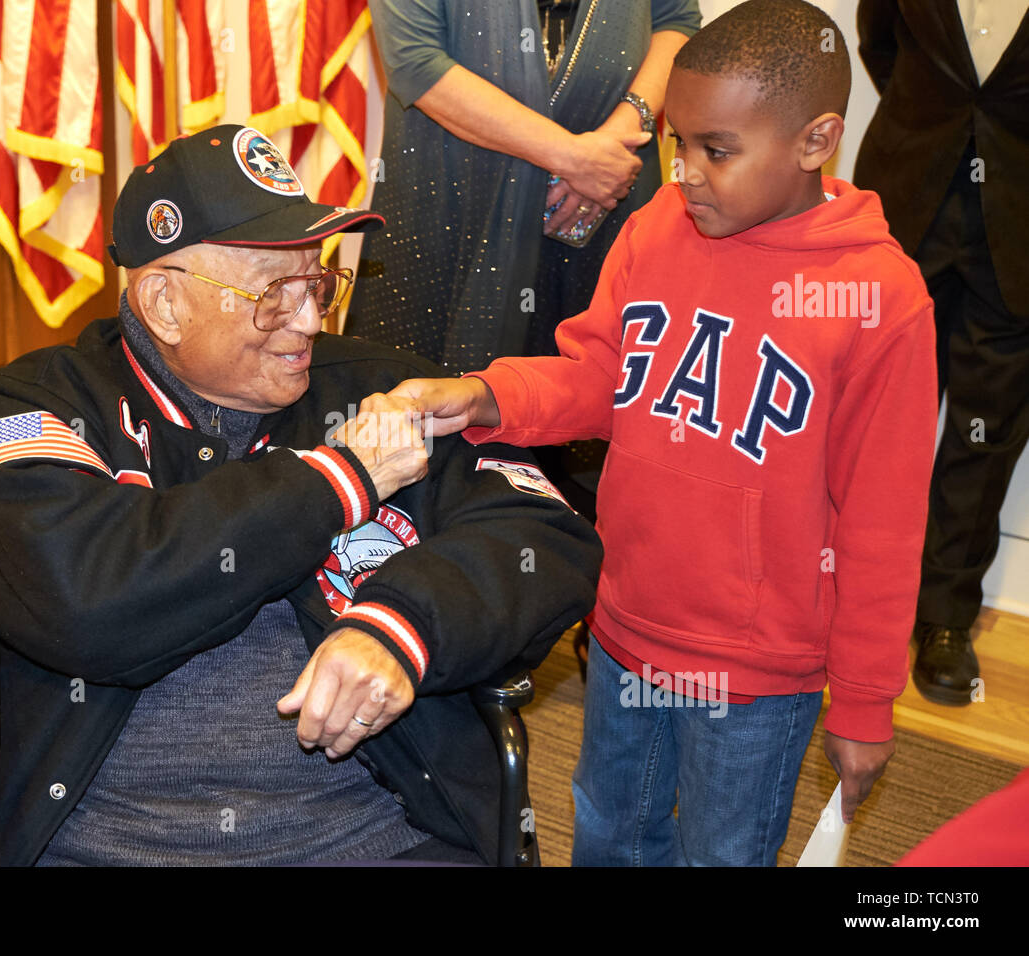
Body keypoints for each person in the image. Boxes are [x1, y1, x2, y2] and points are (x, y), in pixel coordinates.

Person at [0, 124, 602, 866]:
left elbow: (545, 533)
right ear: (164, 303)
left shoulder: (374, 383)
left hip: (375, 836)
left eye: (318, 283)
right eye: (273, 295)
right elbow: (88, 602)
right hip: (115, 842)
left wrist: (404, 626)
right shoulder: (37, 407)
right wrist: (342, 479)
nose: (309, 321)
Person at [390, 0, 938, 865]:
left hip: (758, 674)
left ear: (815, 140)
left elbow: (884, 522)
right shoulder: (654, 231)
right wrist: (489, 396)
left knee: (720, 853)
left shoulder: (880, 298)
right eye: (676, 142)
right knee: (607, 829)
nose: (681, 171)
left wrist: (866, 702)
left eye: (715, 151)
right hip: (627, 628)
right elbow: (599, 377)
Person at [345, 0, 700, 374]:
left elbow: (675, 20)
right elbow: (413, 59)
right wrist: (576, 159)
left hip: (613, 174)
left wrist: (621, 129)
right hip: (456, 190)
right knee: (429, 401)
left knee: (598, 388)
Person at [854, 0, 1029, 706]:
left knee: (983, 435)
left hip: (1017, 229)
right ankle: (849, 591)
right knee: (864, 417)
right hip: (906, 198)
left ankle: (945, 619)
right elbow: (880, 46)